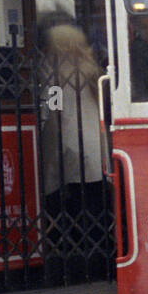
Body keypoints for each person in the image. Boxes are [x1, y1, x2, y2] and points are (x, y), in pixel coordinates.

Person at [39, 20, 108, 264]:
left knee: (72, 197)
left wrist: (45, 126)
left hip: (70, 140)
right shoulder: (90, 68)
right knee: (95, 198)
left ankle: (78, 250)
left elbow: (52, 105)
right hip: (96, 141)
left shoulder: (54, 69)